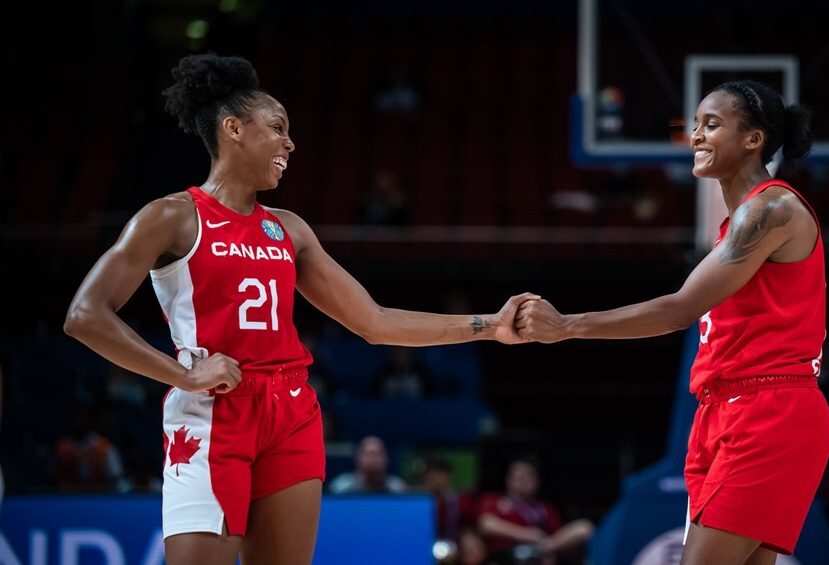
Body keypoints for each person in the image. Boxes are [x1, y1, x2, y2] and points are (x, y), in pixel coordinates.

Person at [63, 53, 535, 565]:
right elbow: (86, 315)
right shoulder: (171, 216)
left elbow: (375, 321)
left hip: (290, 411)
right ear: (233, 128)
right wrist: (185, 375)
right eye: (277, 128)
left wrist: (490, 325)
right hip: (213, 413)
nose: (290, 143)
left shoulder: (288, 228)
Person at [515, 80, 829, 565]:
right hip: (726, 409)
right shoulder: (740, 221)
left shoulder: (772, 210)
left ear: (754, 139)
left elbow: (679, 310)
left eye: (712, 124)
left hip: (769, 410)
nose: (695, 136)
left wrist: (567, 326)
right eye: (695, 125)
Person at [478, 457, 594, 565]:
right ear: (508, 479)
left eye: (527, 476)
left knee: (584, 527)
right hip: (505, 557)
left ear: (537, 481)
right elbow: (486, 524)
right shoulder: (494, 500)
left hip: (540, 552)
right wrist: (526, 534)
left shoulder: (545, 508)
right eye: (518, 477)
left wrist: (545, 546)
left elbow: (559, 536)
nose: (522, 481)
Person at [328, 435, 407, 494]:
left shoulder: (398, 488)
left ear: (386, 459)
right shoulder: (340, 488)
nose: (372, 459)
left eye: (377, 454)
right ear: (358, 458)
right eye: (368, 454)